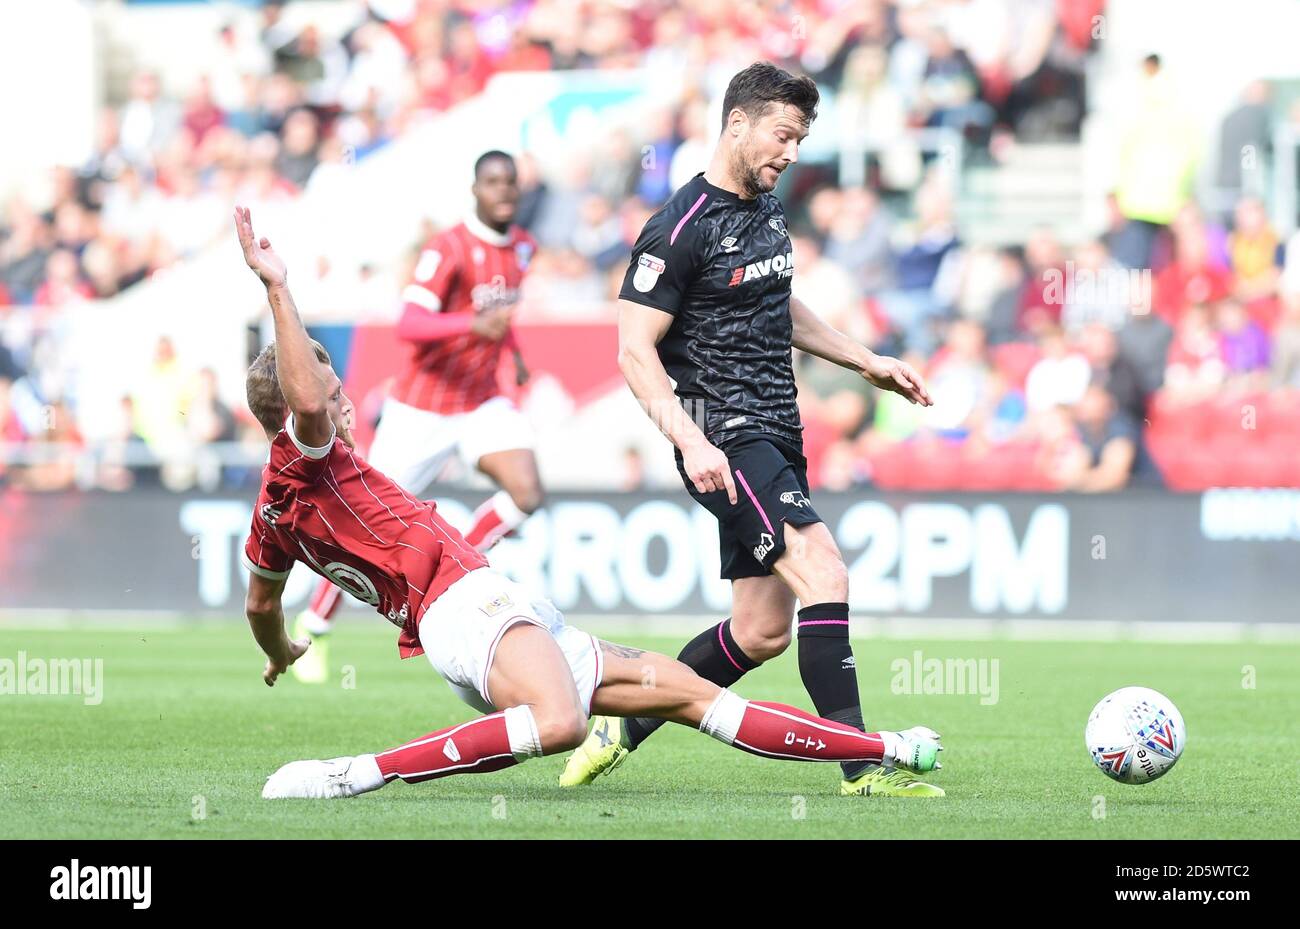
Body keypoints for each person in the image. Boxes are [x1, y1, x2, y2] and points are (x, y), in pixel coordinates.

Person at [232, 207, 944, 798]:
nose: (343, 401)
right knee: (559, 721)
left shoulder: (276, 513)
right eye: (331, 391)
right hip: (461, 612)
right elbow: (301, 395)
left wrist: (283, 650)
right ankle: (355, 775)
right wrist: (278, 290)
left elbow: (262, 606)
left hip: (499, 602)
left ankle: (883, 748)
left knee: (694, 695)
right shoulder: (302, 462)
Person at [562, 62, 942, 798]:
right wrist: (692, 439)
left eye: (799, 139)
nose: (791, 152)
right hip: (725, 437)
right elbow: (633, 351)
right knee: (824, 571)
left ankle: (622, 725)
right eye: (783, 135)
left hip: (778, 431)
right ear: (737, 124)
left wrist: (865, 360)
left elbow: (780, 303)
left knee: (761, 631)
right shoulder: (676, 230)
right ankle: (864, 768)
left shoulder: (768, 208)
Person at [291, 151, 544, 682]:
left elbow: (501, 318)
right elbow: (409, 324)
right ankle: (313, 627)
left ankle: (462, 565)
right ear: (475, 190)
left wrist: (515, 356)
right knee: (362, 529)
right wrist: (471, 325)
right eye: (493, 183)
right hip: (420, 409)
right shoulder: (447, 248)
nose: (503, 191)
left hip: (478, 401)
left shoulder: (524, 246)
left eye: (510, 183)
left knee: (527, 491)